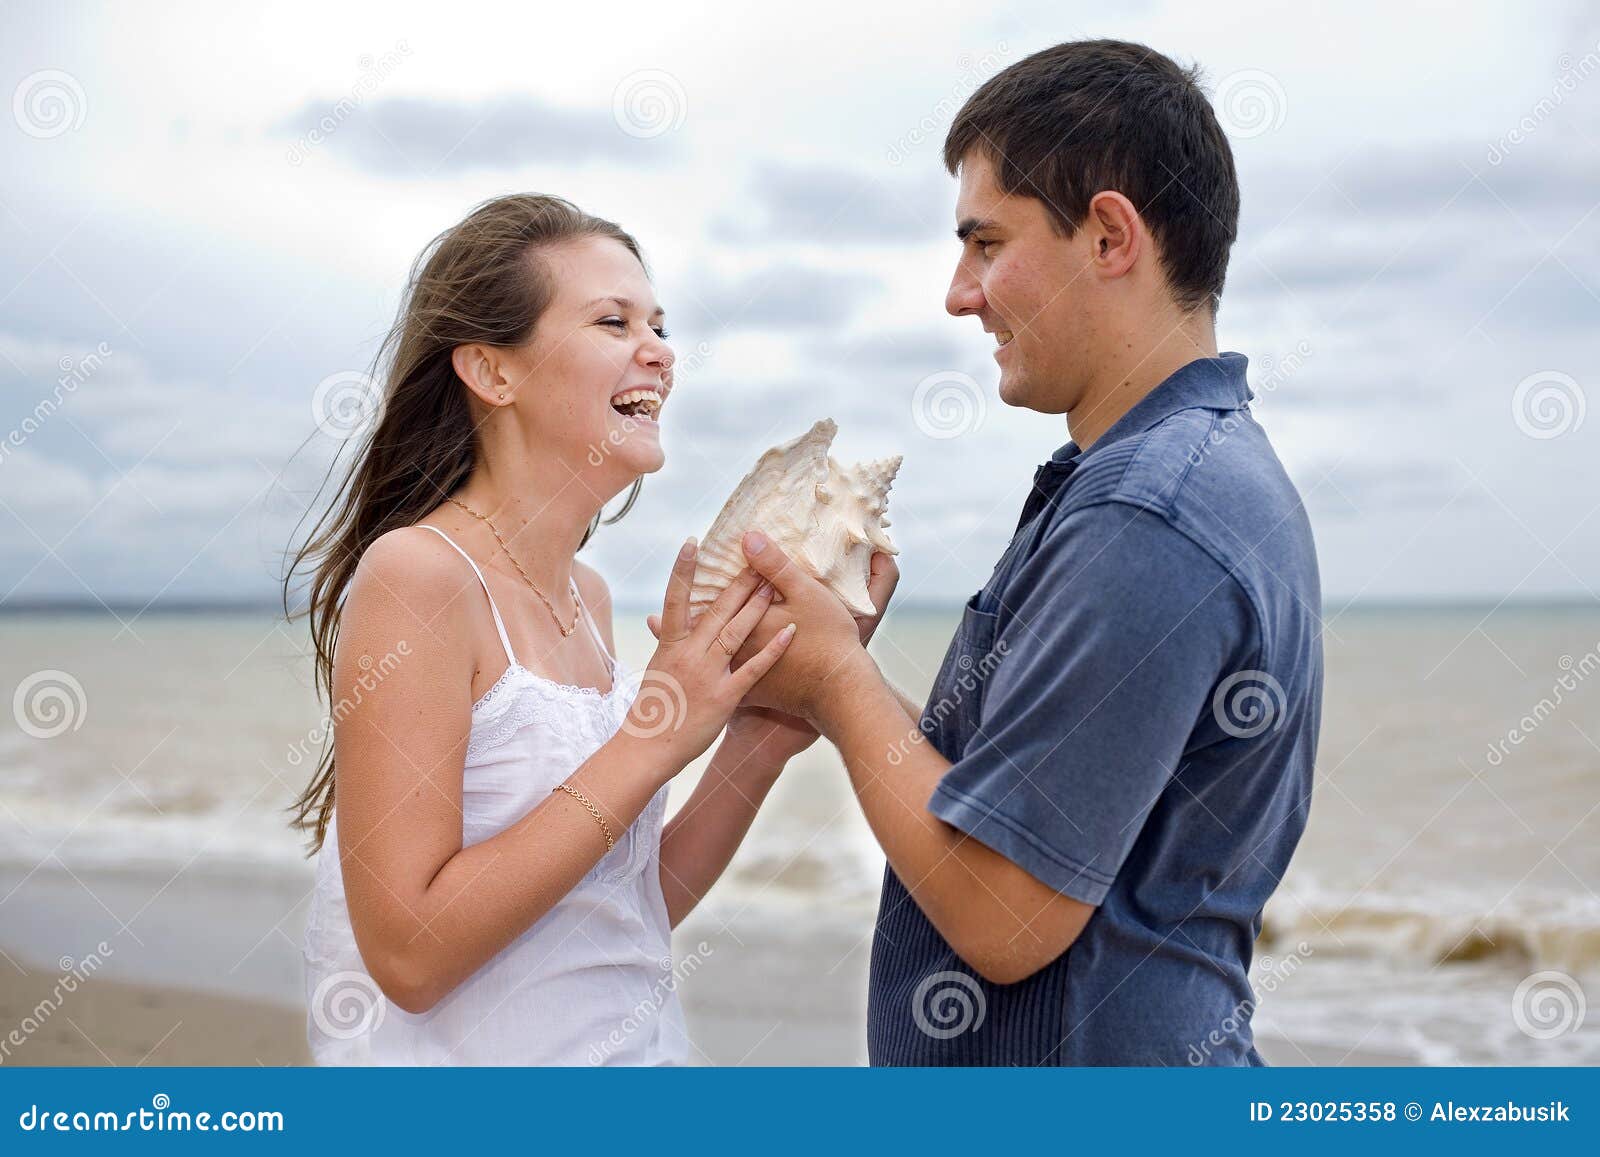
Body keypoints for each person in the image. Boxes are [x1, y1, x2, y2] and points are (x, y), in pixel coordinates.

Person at [729, 40, 1324, 1065]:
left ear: (1109, 236)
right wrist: (830, 680)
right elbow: (1025, 809)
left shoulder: (1147, 511)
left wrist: (833, 678)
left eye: (986, 243)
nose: (960, 294)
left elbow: (1005, 914)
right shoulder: (1195, 471)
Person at [288, 193, 835, 1064]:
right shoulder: (419, 575)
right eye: (614, 322)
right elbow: (410, 955)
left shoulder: (589, 595)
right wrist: (656, 737)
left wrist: (759, 738)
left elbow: (618, 907)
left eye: (659, 325)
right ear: (491, 371)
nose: (661, 351)